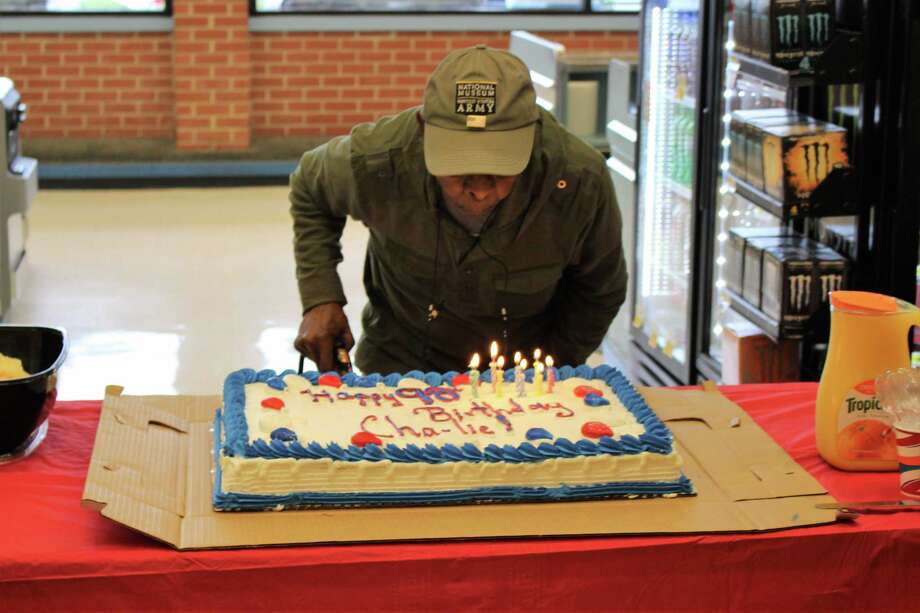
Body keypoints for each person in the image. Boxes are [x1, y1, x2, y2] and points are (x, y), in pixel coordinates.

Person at [290, 44, 627, 375]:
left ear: (533, 135)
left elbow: (599, 290)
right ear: (424, 131)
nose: (479, 190)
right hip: (399, 367)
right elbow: (310, 186)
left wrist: (551, 370)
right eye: (458, 168)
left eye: (499, 169)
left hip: (521, 377)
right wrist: (321, 298)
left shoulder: (579, 180)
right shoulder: (379, 161)